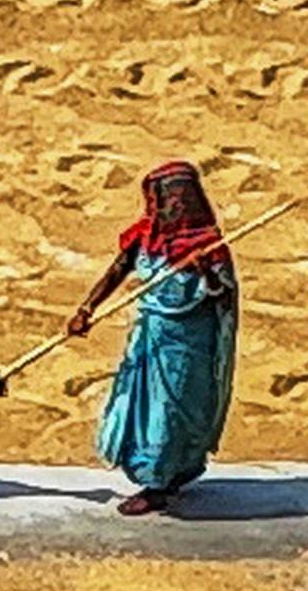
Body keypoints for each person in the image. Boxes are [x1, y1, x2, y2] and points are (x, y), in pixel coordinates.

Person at [67, 162, 239, 514]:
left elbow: (223, 296)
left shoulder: (209, 245)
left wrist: (204, 270)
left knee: (175, 410)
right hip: (152, 336)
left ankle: (161, 485)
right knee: (146, 409)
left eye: (182, 199)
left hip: (190, 345)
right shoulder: (146, 237)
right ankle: (157, 474)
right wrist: (87, 309)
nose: (175, 206)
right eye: (168, 199)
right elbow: (118, 270)